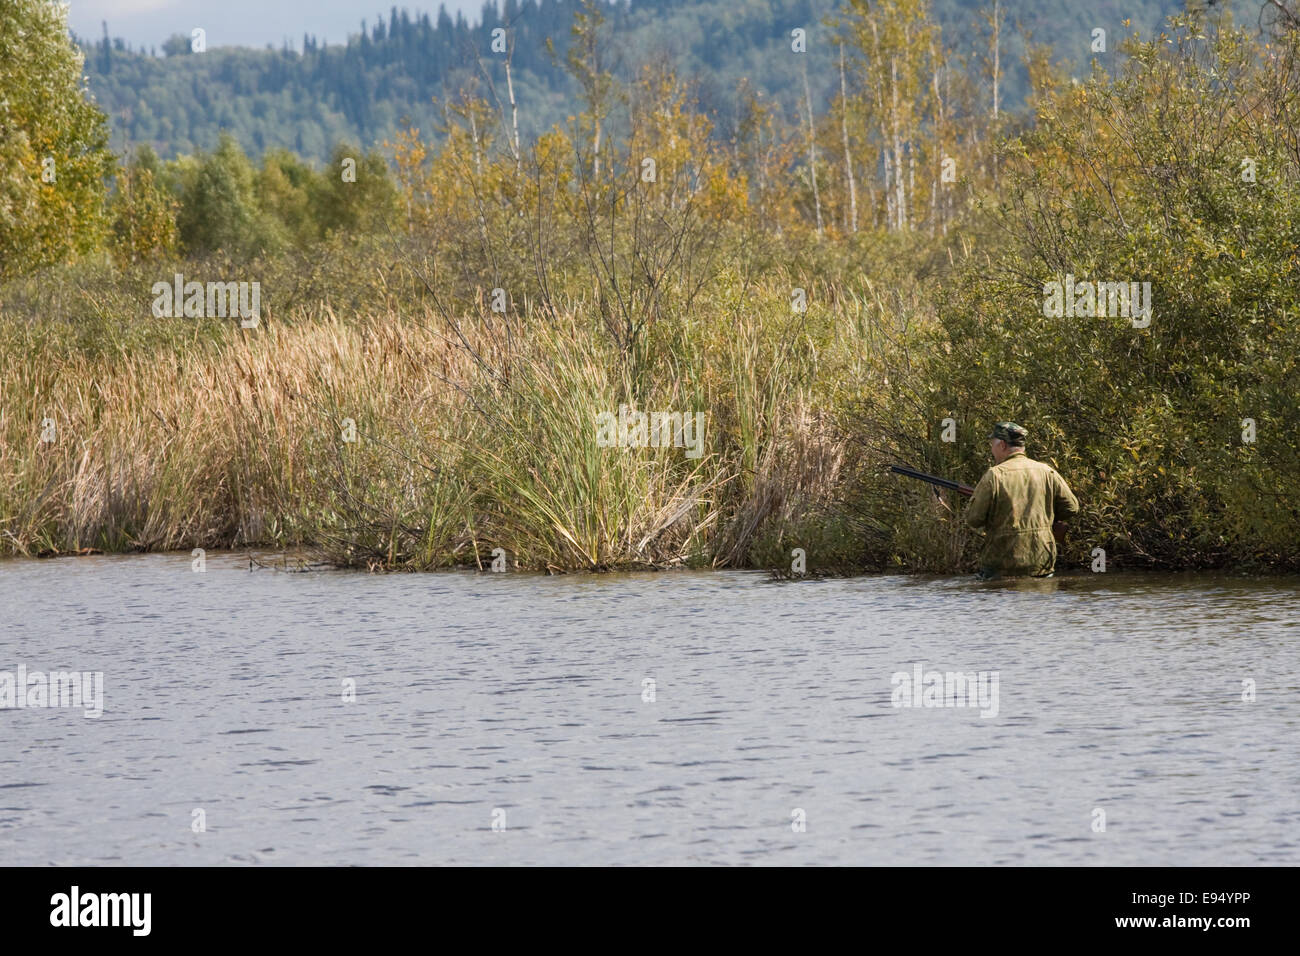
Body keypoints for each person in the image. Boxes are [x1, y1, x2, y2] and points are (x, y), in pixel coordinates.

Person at [965, 422, 1079, 580]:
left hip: (1002, 566)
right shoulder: (1046, 471)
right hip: (1041, 562)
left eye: (992, 445)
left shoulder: (994, 475)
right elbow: (1072, 508)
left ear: (1003, 445)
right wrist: (1049, 517)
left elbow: (973, 519)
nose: (991, 450)